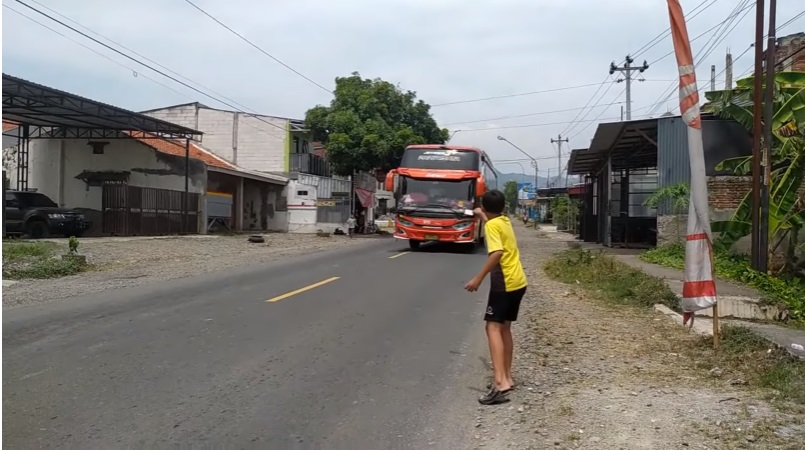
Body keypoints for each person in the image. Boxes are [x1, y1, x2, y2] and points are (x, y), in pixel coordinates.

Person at [464, 189, 528, 405]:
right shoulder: (504, 221)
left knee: (492, 328)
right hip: (518, 282)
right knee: (504, 328)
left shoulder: (491, 226)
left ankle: (499, 383)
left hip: (504, 283)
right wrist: (482, 215)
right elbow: (492, 222)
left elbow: (497, 253)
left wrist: (478, 279)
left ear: (484, 206)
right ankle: (507, 378)